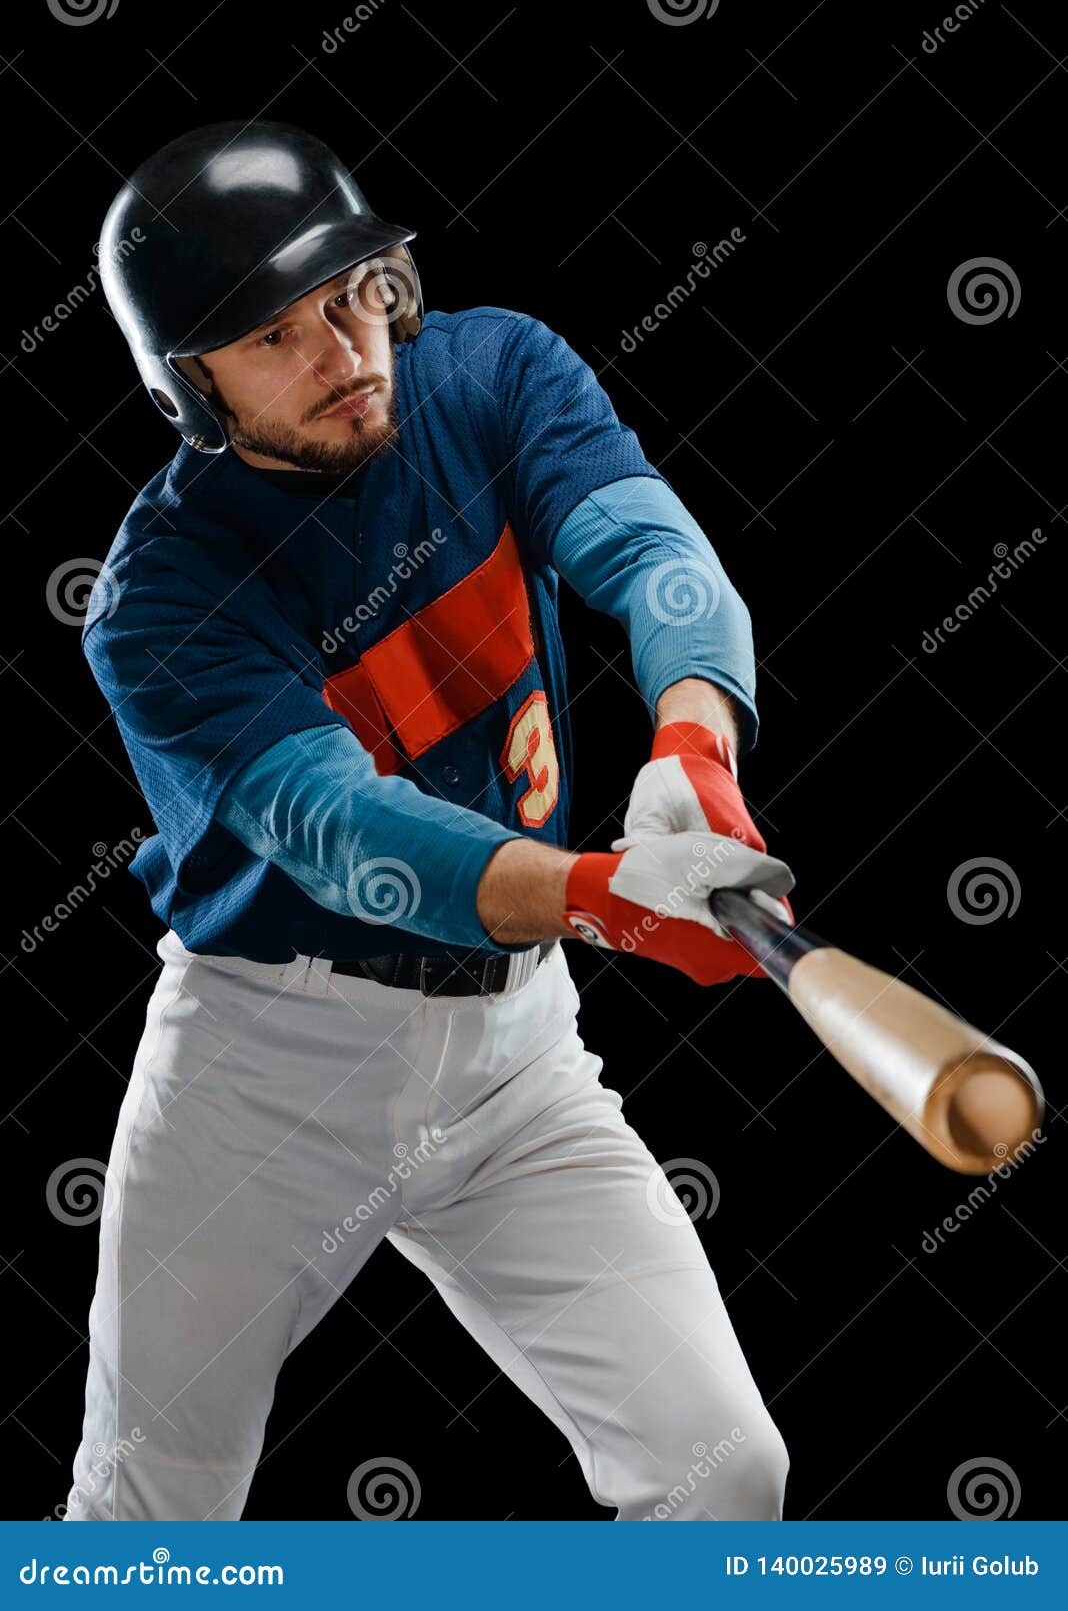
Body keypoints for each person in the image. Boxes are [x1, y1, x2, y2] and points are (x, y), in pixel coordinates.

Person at [65, 120, 795, 1521]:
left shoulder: (491, 370)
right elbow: (354, 837)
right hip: (264, 1073)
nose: (344, 351)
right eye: (276, 334)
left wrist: (694, 744)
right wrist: (602, 892)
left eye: (353, 295)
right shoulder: (160, 600)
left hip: (515, 1051)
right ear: (191, 385)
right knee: (152, 1518)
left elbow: (652, 553)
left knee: (728, 1475)